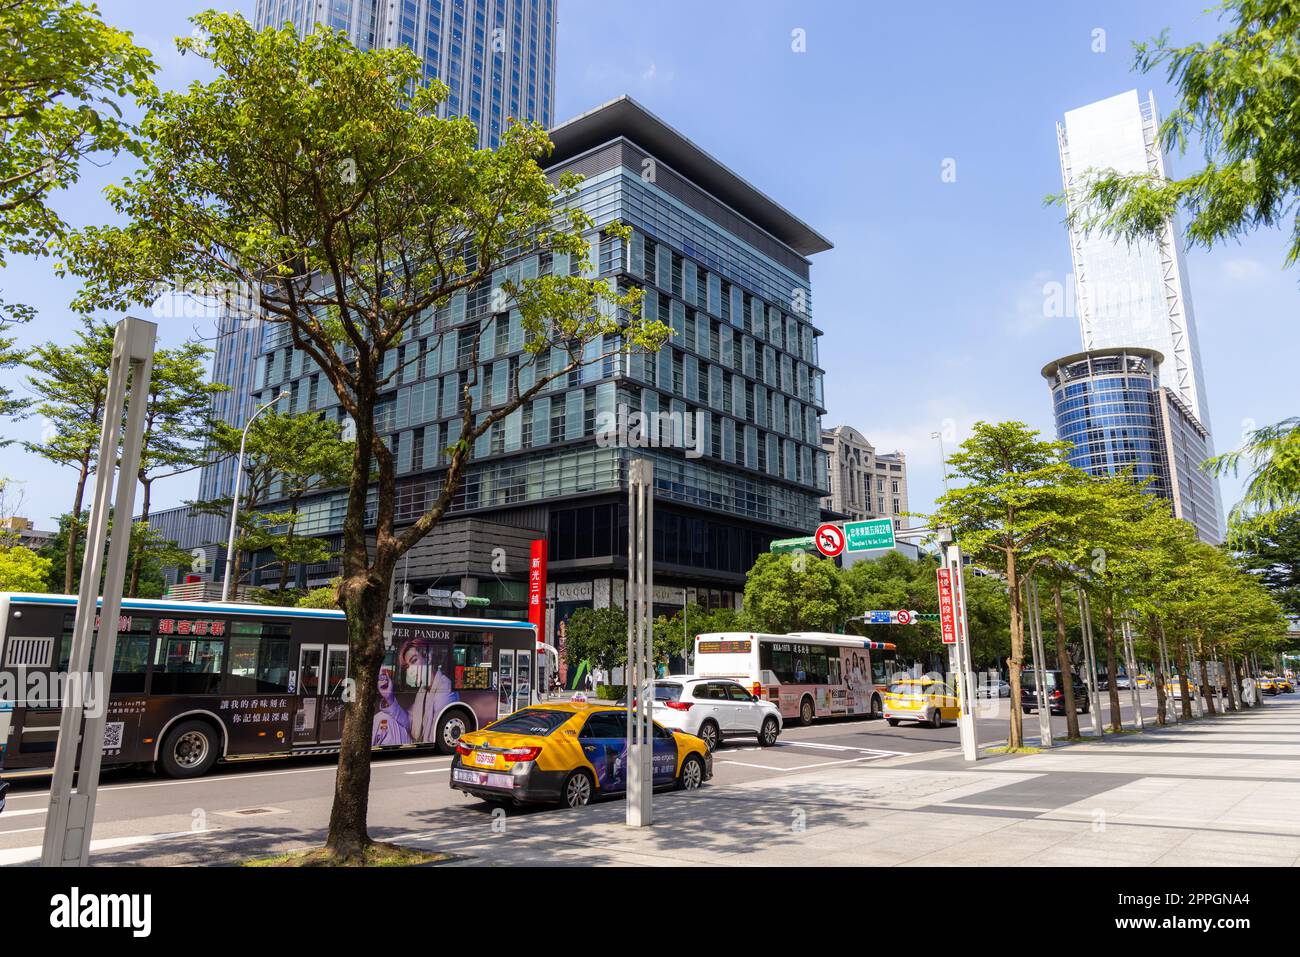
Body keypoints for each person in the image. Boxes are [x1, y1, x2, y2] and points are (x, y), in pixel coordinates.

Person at [401, 639, 457, 744]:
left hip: (422, 743)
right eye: (407, 667)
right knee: (384, 717)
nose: (411, 670)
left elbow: (433, 736)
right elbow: (409, 720)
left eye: (413, 661)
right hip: (417, 741)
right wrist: (389, 699)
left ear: (428, 657)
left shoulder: (445, 688)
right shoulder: (422, 690)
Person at [372, 668, 413, 746]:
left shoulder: (404, 714)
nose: (384, 680)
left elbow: (409, 724)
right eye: (380, 678)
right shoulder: (377, 719)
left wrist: (389, 697)